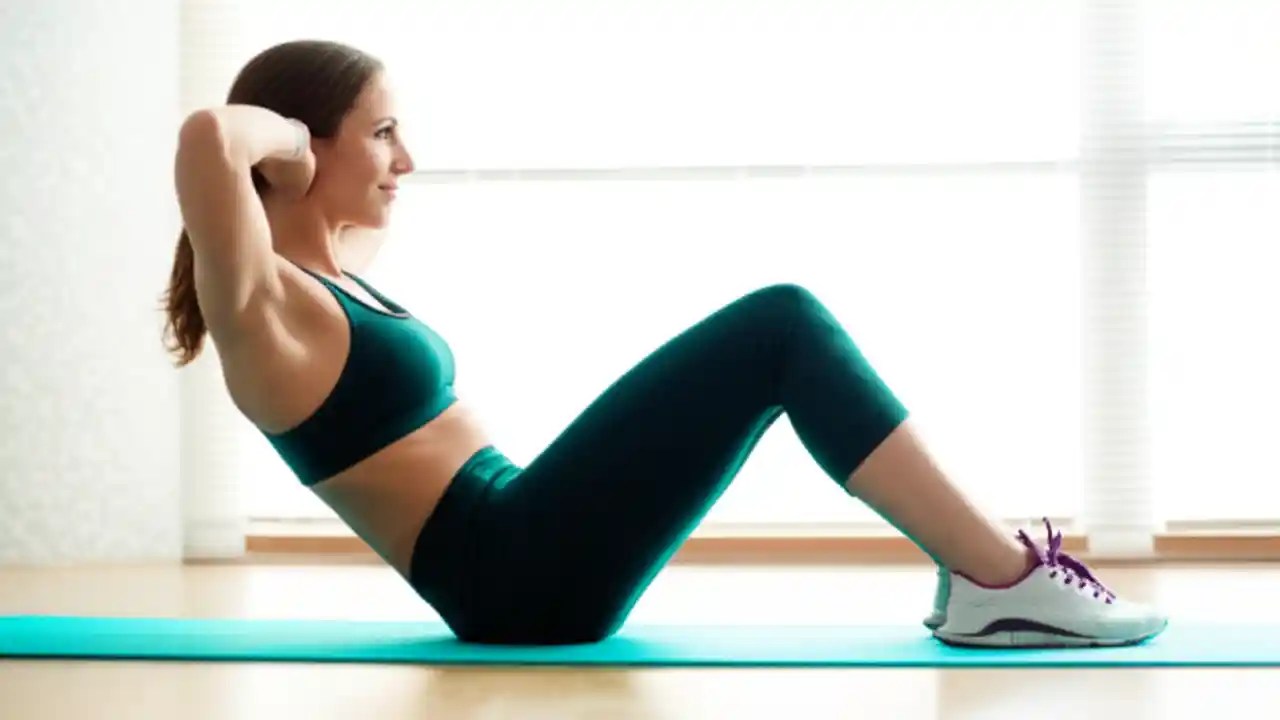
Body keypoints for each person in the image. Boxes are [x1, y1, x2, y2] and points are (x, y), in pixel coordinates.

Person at [162, 39, 1168, 648]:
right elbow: (209, 135)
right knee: (781, 324)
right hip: (515, 579)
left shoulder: (331, 282)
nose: (405, 160)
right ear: (302, 144)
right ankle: (1000, 580)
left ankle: (977, 571)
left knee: (779, 327)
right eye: (381, 132)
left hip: (520, 545)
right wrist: (286, 141)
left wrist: (311, 153)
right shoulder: (263, 307)